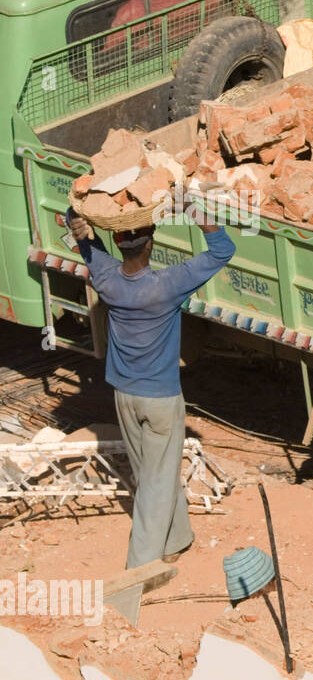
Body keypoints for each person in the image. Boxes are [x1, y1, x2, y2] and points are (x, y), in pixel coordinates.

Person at [66, 209, 234, 567]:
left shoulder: (107, 279)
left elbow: (85, 240)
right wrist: (202, 218)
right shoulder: (166, 285)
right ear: (150, 244)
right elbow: (222, 251)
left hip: (124, 395)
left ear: (118, 242)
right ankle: (139, 568)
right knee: (156, 480)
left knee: (150, 470)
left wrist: (77, 223)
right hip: (160, 398)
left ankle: (176, 539)